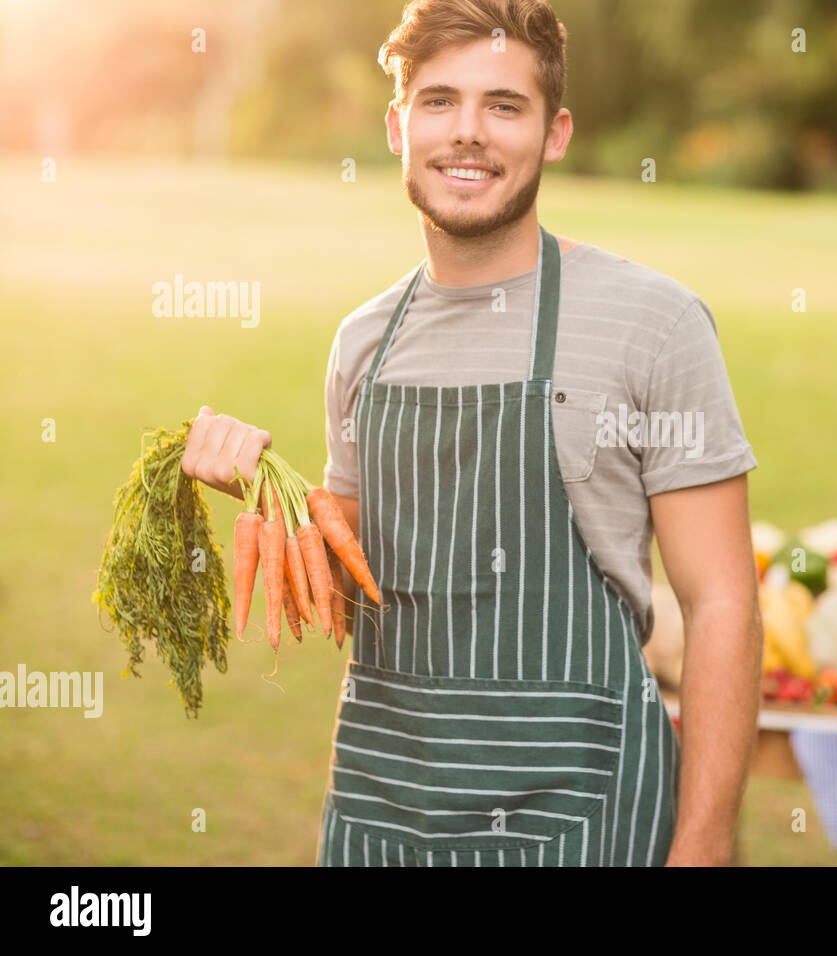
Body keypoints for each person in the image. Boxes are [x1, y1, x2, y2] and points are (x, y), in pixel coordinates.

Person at [181, 0, 761, 867]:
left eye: (504, 105)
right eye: (440, 100)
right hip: (387, 810)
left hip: (585, 812)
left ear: (554, 133)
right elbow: (353, 599)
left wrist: (706, 841)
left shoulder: (654, 323)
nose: (468, 134)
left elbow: (722, 603)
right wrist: (263, 490)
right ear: (397, 125)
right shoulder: (364, 344)